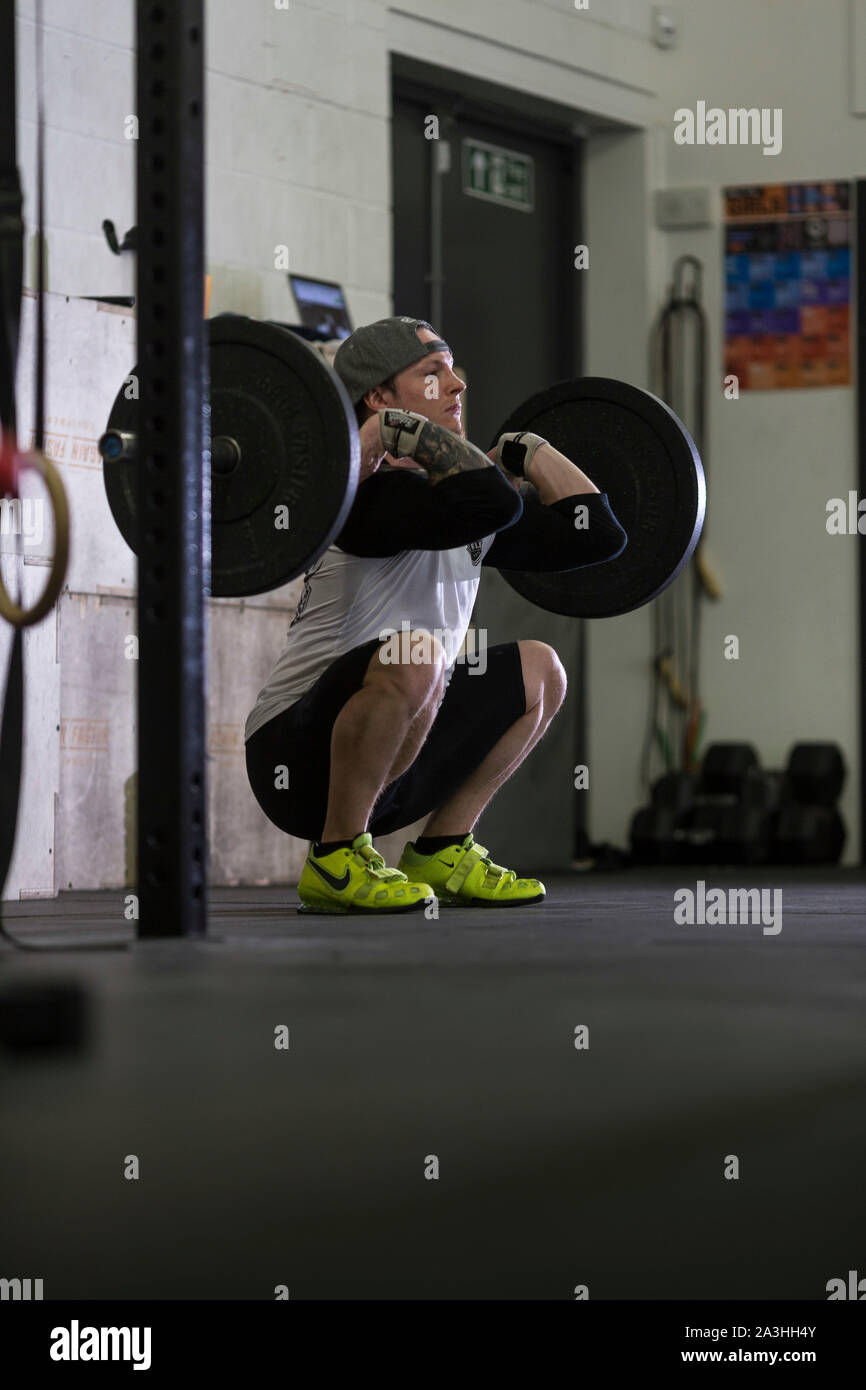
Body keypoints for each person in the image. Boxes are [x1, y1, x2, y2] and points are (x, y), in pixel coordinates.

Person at [245, 316, 626, 914]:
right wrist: (400, 438)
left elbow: (598, 535)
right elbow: (491, 500)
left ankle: (442, 849)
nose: (457, 385)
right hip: (293, 756)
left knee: (539, 670)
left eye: (453, 371)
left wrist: (535, 450)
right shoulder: (359, 497)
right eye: (431, 374)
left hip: (397, 751)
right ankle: (335, 859)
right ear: (378, 399)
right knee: (416, 651)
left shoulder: (462, 508)